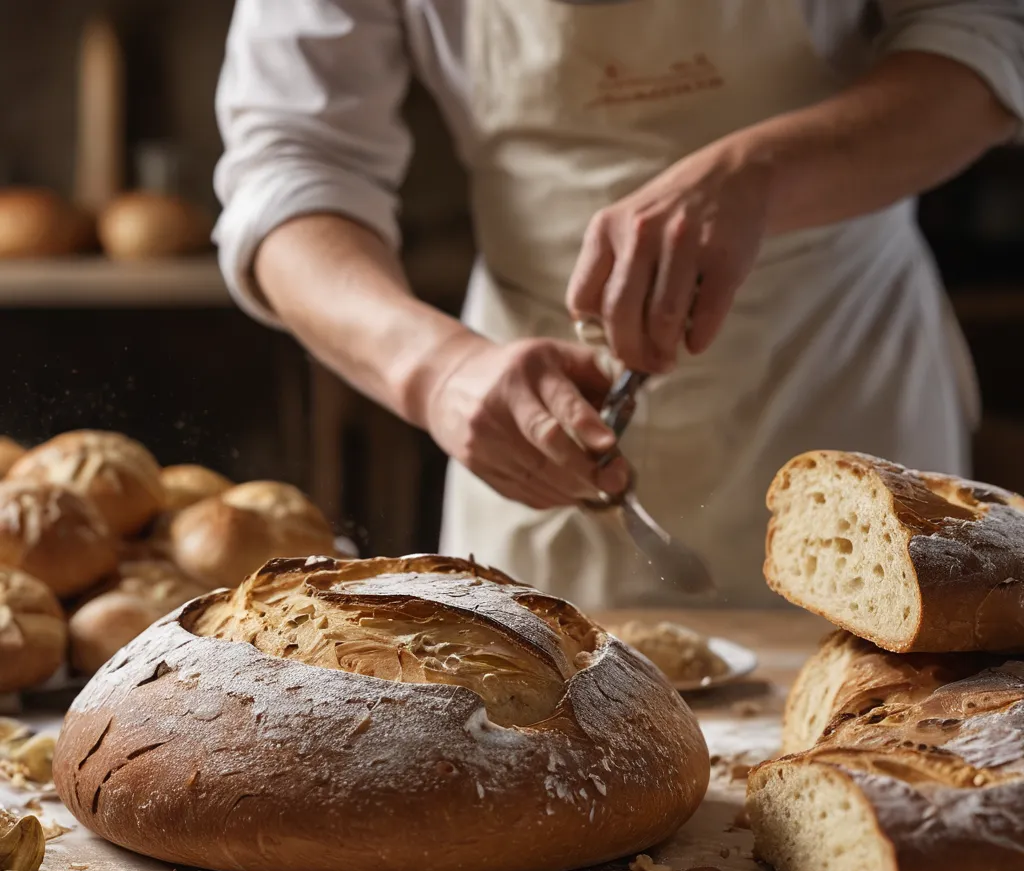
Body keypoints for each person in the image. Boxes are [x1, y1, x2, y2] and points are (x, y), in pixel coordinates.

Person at [214, 0, 1024, 608]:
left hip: (839, 366)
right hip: (528, 407)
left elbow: (987, 35)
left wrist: (768, 172)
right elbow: (289, 167)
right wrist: (438, 371)